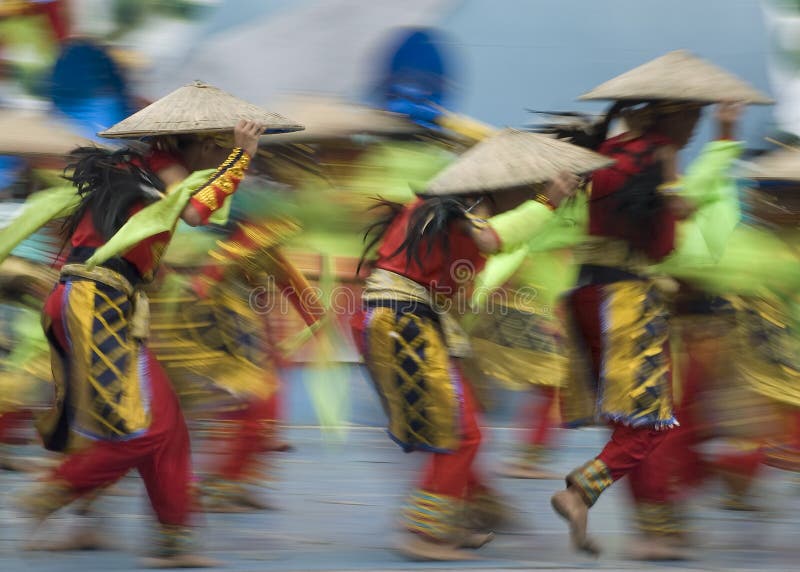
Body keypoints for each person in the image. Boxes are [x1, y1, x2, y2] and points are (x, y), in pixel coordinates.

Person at [9, 117, 266, 567]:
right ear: (195, 144)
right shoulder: (163, 169)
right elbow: (194, 213)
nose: (218, 156)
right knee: (142, 430)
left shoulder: (141, 170)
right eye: (217, 146)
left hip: (105, 305)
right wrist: (241, 158)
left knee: (168, 426)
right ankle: (57, 489)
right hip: (95, 303)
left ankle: (173, 540)